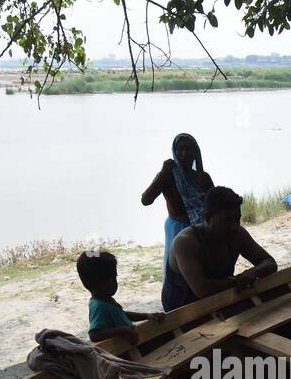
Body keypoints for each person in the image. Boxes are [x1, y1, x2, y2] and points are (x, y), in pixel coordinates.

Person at [163, 186, 277, 312]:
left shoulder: (237, 234)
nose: (234, 226)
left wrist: (254, 272)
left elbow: (270, 263)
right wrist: (237, 280)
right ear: (207, 217)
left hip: (217, 299)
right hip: (182, 308)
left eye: (237, 219)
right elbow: (202, 289)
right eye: (227, 220)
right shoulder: (186, 242)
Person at [141, 133, 214, 282]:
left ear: (195, 153)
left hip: (201, 229)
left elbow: (214, 204)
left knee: (200, 268)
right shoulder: (167, 176)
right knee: (178, 272)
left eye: (189, 149)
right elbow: (146, 200)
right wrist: (163, 172)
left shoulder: (203, 178)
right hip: (176, 229)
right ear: (174, 151)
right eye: (180, 149)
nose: (184, 153)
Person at [76, 250, 165, 347]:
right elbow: (94, 335)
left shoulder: (106, 300)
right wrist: (123, 330)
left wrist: (148, 316)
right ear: (106, 282)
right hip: (123, 352)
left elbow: (123, 315)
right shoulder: (98, 306)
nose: (116, 282)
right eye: (114, 277)